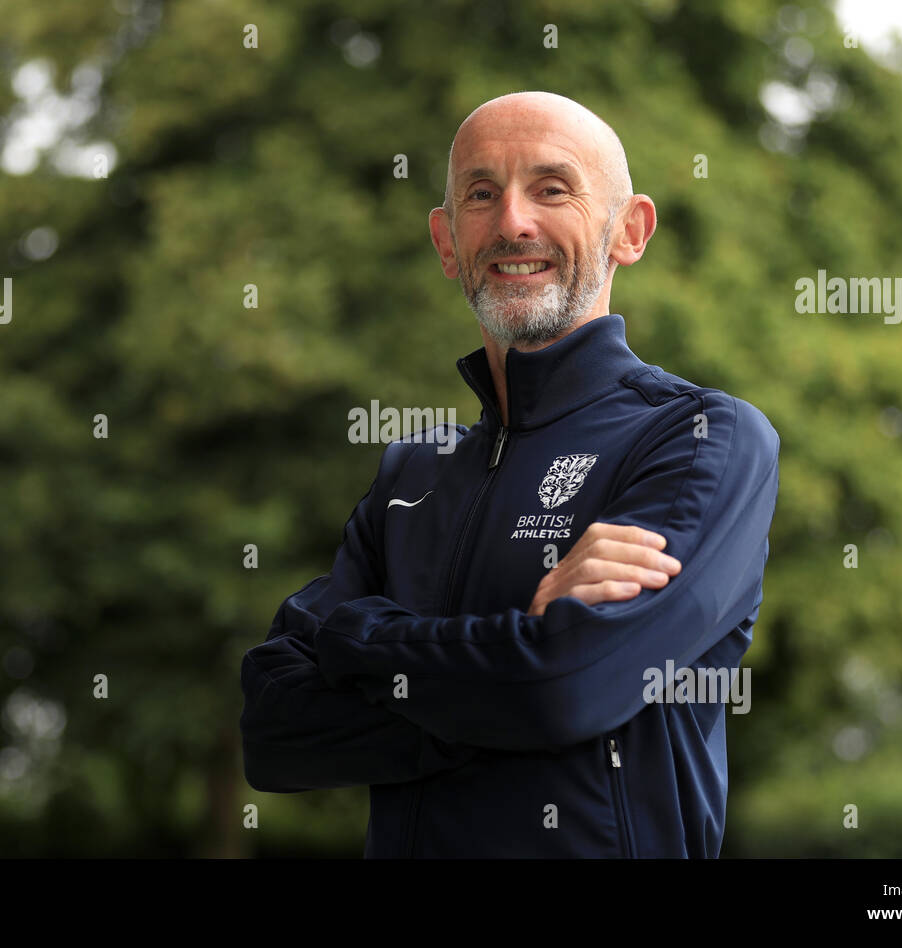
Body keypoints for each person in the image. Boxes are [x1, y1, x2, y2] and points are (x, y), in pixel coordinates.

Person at [239, 90, 780, 857]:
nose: (513, 222)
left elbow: (566, 686)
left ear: (630, 231)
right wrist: (518, 654)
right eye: (481, 194)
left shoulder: (701, 439)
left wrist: (349, 639)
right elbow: (274, 729)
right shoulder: (411, 472)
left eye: (553, 188)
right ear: (447, 241)